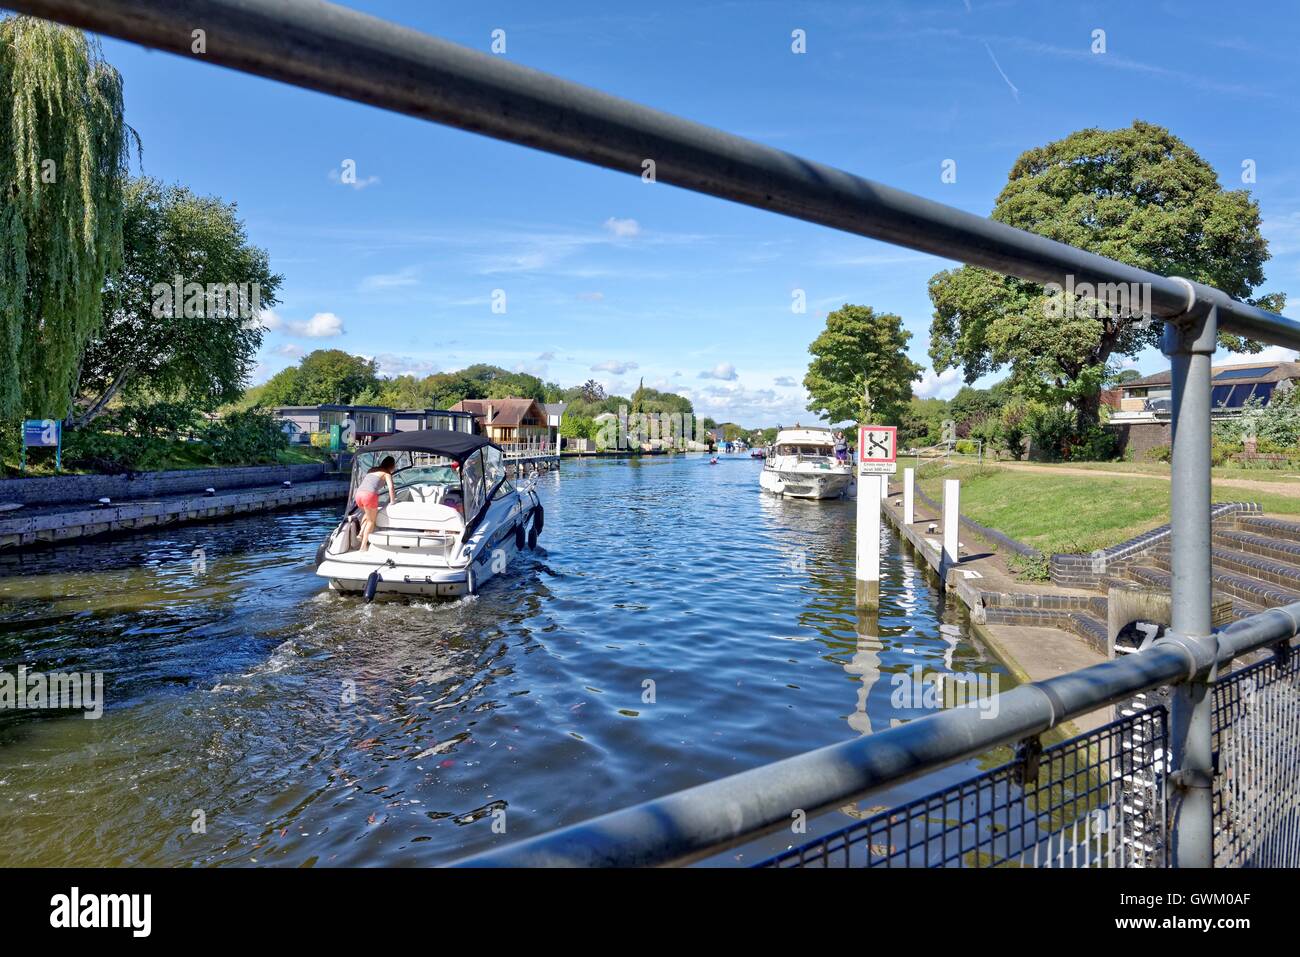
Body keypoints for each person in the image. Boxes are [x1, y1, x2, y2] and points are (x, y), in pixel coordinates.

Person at [355, 455, 396, 551]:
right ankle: (363, 546)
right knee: (371, 522)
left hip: (359, 494)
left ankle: (361, 533)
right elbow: (391, 488)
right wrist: (393, 501)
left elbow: (369, 482)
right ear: (392, 465)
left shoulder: (372, 470)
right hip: (369, 496)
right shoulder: (386, 474)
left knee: (367, 514)